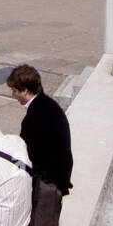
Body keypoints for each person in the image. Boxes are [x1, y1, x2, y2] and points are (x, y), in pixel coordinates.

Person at [7, 63, 73, 197]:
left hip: (48, 183)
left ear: (25, 90)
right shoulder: (48, 104)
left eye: (14, 91)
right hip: (59, 176)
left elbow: (25, 157)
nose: (13, 96)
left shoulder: (33, 118)